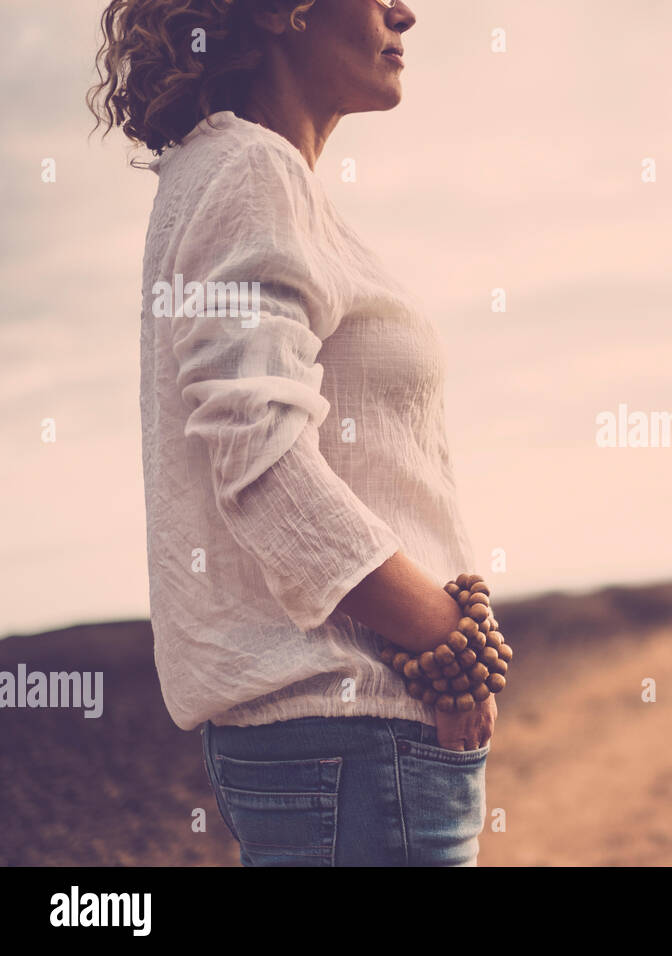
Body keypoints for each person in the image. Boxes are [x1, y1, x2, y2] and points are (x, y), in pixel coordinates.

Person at [88, 0, 496, 866]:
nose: (405, 12)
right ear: (282, 11)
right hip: (353, 740)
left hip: (339, 747)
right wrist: (443, 636)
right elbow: (260, 450)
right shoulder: (251, 173)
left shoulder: (241, 178)